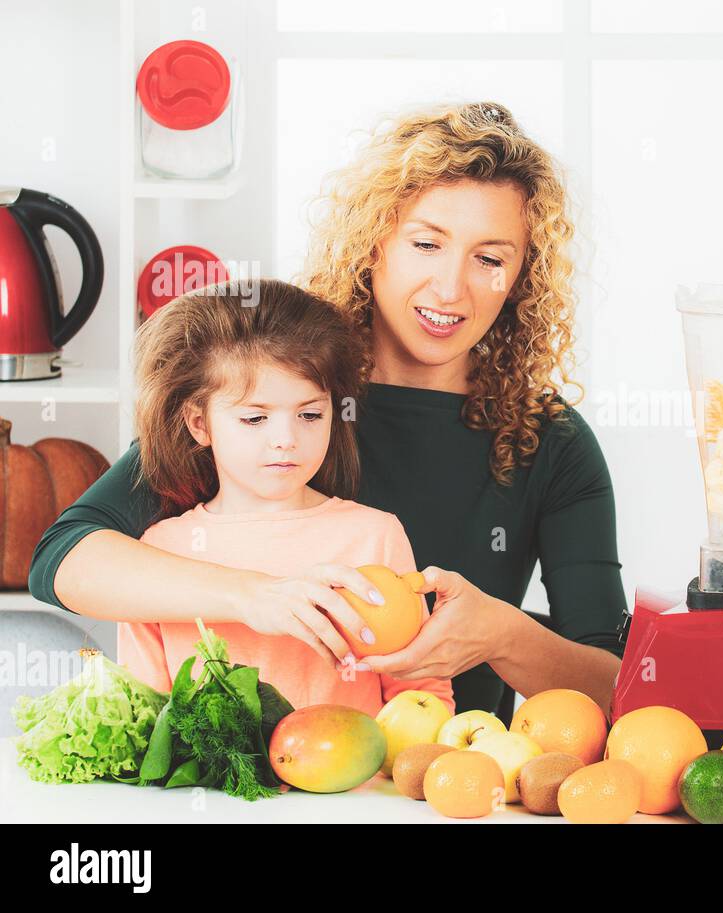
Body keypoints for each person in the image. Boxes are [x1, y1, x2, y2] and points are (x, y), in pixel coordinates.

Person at [29, 101, 626, 715]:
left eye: (490, 259)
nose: (451, 288)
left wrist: (503, 634)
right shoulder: (284, 394)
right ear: (374, 245)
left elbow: (616, 686)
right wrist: (257, 597)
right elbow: (64, 559)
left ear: (521, 277)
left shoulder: (548, 439)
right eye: (426, 243)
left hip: (445, 787)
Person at [115, 280, 453, 715]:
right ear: (199, 424)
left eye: (310, 414)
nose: (286, 440)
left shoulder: (375, 536)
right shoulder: (160, 552)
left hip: (356, 785)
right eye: (255, 418)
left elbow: (423, 700)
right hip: (208, 786)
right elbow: (146, 720)